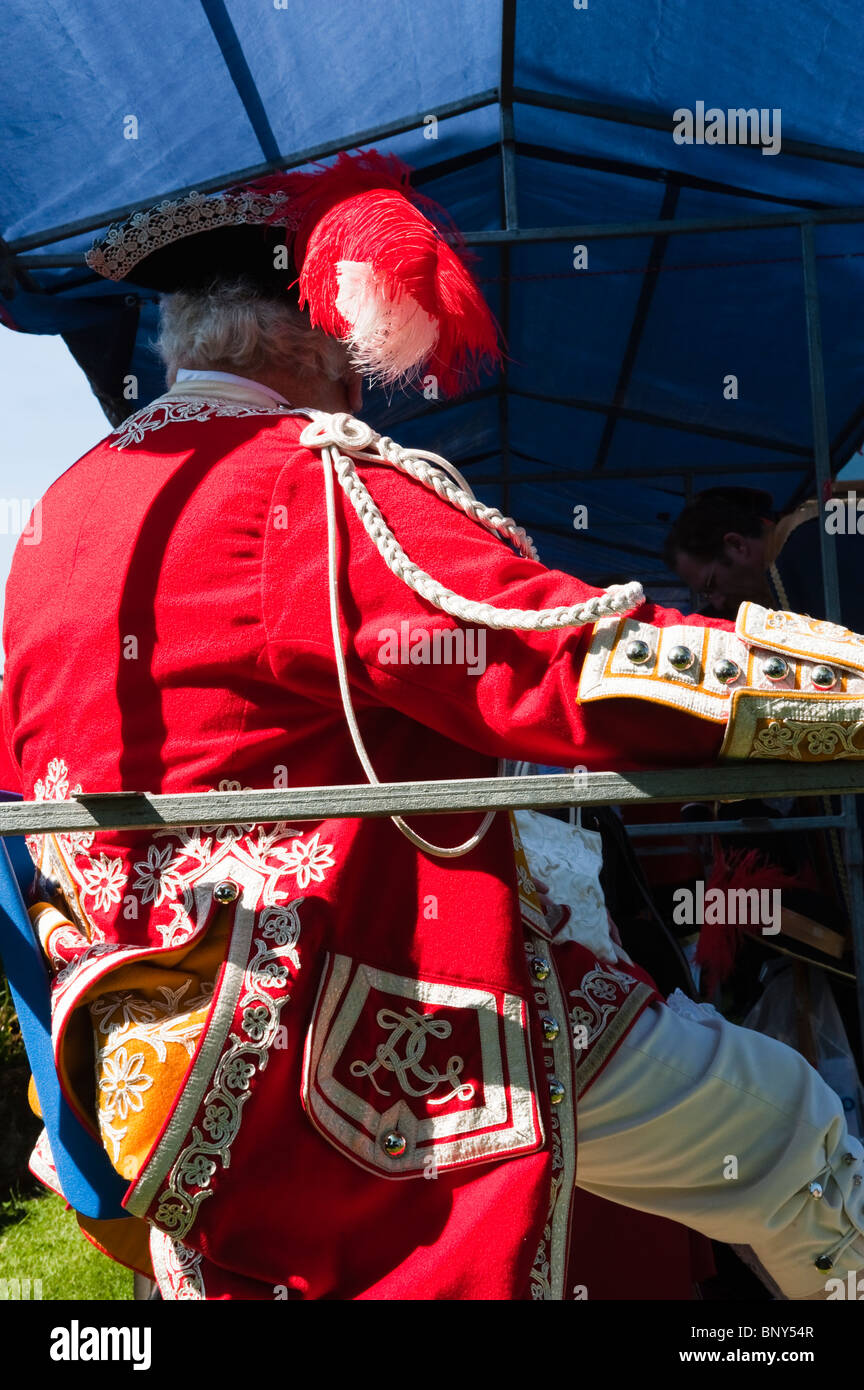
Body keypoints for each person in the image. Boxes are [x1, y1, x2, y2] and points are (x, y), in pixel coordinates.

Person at [4, 151, 864, 1302]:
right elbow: (564, 661)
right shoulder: (298, 482)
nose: (362, 387)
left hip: (141, 1062)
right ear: (310, 333)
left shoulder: (58, 511)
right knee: (786, 1126)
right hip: (335, 1021)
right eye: (356, 361)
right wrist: (840, 693)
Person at [664, 484, 864, 629]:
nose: (717, 603)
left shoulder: (812, 553)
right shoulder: (812, 542)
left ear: (737, 545)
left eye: (711, 584)